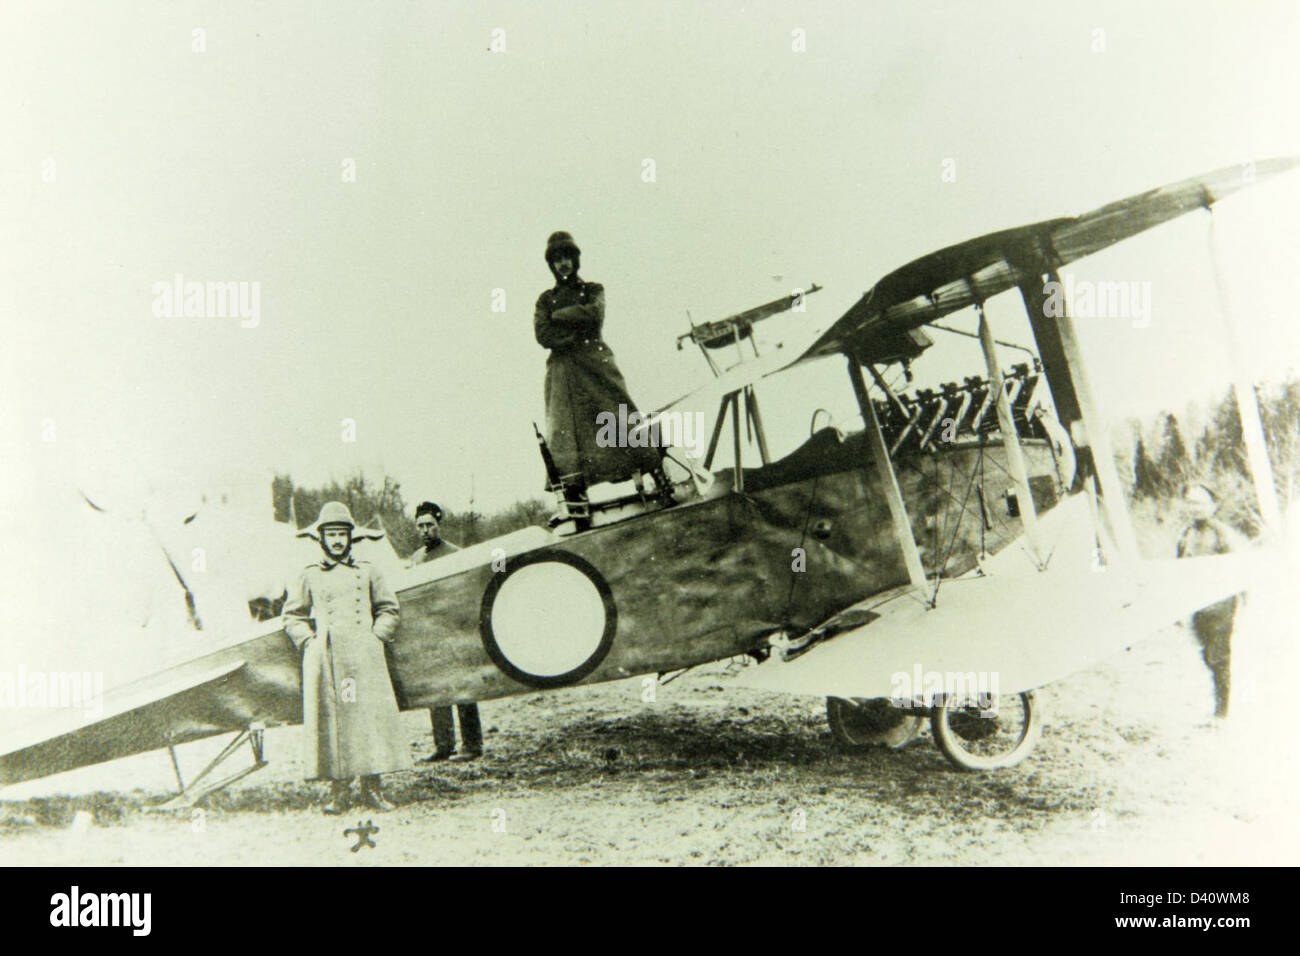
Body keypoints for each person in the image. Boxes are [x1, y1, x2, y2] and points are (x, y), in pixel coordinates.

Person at [533, 230, 674, 524]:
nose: (563, 264)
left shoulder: (593, 289)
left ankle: (660, 480)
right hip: (563, 374)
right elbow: (542, 335)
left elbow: (595, 315)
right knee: (565, 434)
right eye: (557, 259)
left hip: (596, 365)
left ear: (576, 259)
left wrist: (560, 319)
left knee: (621, 416)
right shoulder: (545, 300)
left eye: (567, 257)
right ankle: (576, 504)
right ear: (551, 264)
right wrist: (573, 325)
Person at [282, 501, 408, 813]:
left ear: (350, 537)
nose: (337, 540)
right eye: (331, 534)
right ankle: (339, 792)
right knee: (336, 722)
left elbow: (389, 608)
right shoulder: (309, 574)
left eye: (342, 534)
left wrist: (376, 636)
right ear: (321, 539)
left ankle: (373, 789)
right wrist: (310, 642)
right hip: (329, 660)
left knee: (368, 720)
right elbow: (292, 615)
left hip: (365, 658)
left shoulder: (368, 571)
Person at [407, 501, 482, 762]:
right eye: (420, 526)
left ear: (439, 525)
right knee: (436, 687)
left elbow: (466, 591)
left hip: (454, 628)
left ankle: (472, 745)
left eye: (430, 525)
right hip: (429, 632)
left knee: (463, 686)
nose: (425, 530)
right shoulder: (416, 558)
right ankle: (444, 745)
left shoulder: (455, 554)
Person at [1176, 484, 1246, 719]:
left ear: (1212, 506)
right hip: (1198, 606)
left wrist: (1241, 599)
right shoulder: (1186, 533)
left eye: (1200, 504)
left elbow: (1237, 566)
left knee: (1219, 657)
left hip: (1220, 604)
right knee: (1207, 655)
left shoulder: (1222, 533)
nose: (1195, 509)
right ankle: (1220, 704)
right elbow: (1179, 568)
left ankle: (1221, 713)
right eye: (1191, 503)